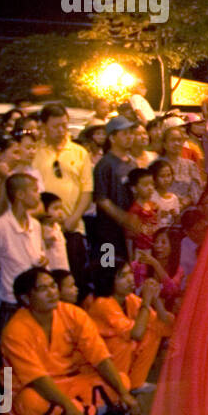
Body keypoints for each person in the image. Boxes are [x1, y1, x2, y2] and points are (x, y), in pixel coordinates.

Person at [1, 267, 140, 415]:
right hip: (36, 388)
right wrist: (68, 406)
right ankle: (94, 413)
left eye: (53, 286)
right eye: (43, 289)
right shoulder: (15, 330)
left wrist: (124, 393)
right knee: (30, 402)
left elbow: (99, 356)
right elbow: (36, 379)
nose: (52, 292)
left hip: (72, 382)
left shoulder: (73, 313)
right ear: (25, 298)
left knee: (122, 381)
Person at [33, 103, 94, 295]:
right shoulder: (34, 152)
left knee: (74, 280)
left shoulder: (80, 152)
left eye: (64, 126)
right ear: (43, 126)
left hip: (72, 227)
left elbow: (86, 191)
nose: (61, 131)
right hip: (42, 230)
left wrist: (73, 218)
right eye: (55, 126)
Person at [88, 263, 168, 395]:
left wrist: (155, 299)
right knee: (124, 342)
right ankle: (117, 388)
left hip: (117, 356)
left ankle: (136, 383)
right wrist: (146, 302)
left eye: (130, 272)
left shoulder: (129, 299)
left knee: (154, 330)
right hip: (98, 362)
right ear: (109, 281)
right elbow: (136, 334)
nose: (131, 278)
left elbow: (163, 324)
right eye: (123, 276)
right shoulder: (103, 303)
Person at [0, 173, 49, 334]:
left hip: (35, 299)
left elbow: (39, 252)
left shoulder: (35, 225)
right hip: (11, 299)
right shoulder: (1, 226)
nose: (38, 195)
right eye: (35, 191)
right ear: (20, 194)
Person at [92, 116, 143, 298]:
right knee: (108, 268)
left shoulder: (132, 163)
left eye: (131, 133)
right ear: (112, 138)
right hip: (108, 232)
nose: (130, 137)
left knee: (128, 270)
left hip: (128, 233)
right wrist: (124, 217)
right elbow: (101, 199)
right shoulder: (104, 165)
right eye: (125, 133)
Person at [124, 168, 159, 255]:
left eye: (152, 184)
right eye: (146, 185)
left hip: (154, 247)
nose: (150, 188)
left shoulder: (154, 205)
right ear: (134, 189)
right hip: (140, 250)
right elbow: (130, 236)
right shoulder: (134, 210)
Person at [147, 159, 182, 229]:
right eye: (162, 176)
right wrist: (158, 214)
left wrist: (175, 216)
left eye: (168, 175)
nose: (166, 179)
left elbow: (177, 221)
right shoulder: (150, 196)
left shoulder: (174, 198)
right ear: (154, 178)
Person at [40, 193, 70, 272]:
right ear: (44, 210)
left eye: (61, 208)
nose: (60, 212)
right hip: (52, 269)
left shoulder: (57, 227)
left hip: (63, 267)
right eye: (56, 208)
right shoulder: (42, 229)